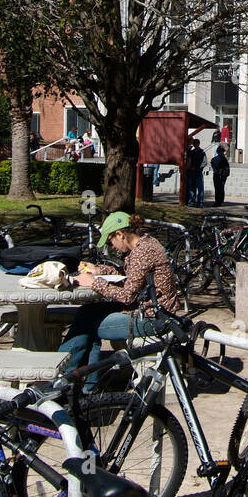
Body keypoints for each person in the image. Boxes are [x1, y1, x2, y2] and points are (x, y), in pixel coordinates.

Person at [59, 213, 180, 384]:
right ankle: (80, 380)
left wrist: (94, 283)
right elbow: (130, 277)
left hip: (151, 317)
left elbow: (128, 296)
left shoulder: (142, 253)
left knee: (88, 322)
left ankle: (65, 376)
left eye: (110, 241)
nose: (112, 247)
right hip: (151, 310)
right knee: (86, 312)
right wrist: (99, 270)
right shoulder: (146, 243)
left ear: (120, 235)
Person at [185, 137, 206, 207]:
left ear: (198, 144)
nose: (195, 145)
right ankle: (192, 201)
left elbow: (204, 162)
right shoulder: (191, 152)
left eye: (196, 143)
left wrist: (199, 167)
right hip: (192, 171)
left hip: (198, 172)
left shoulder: (202, 152)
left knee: (200, 188)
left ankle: (200, 202)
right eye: (194, 144)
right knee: (192, 188)